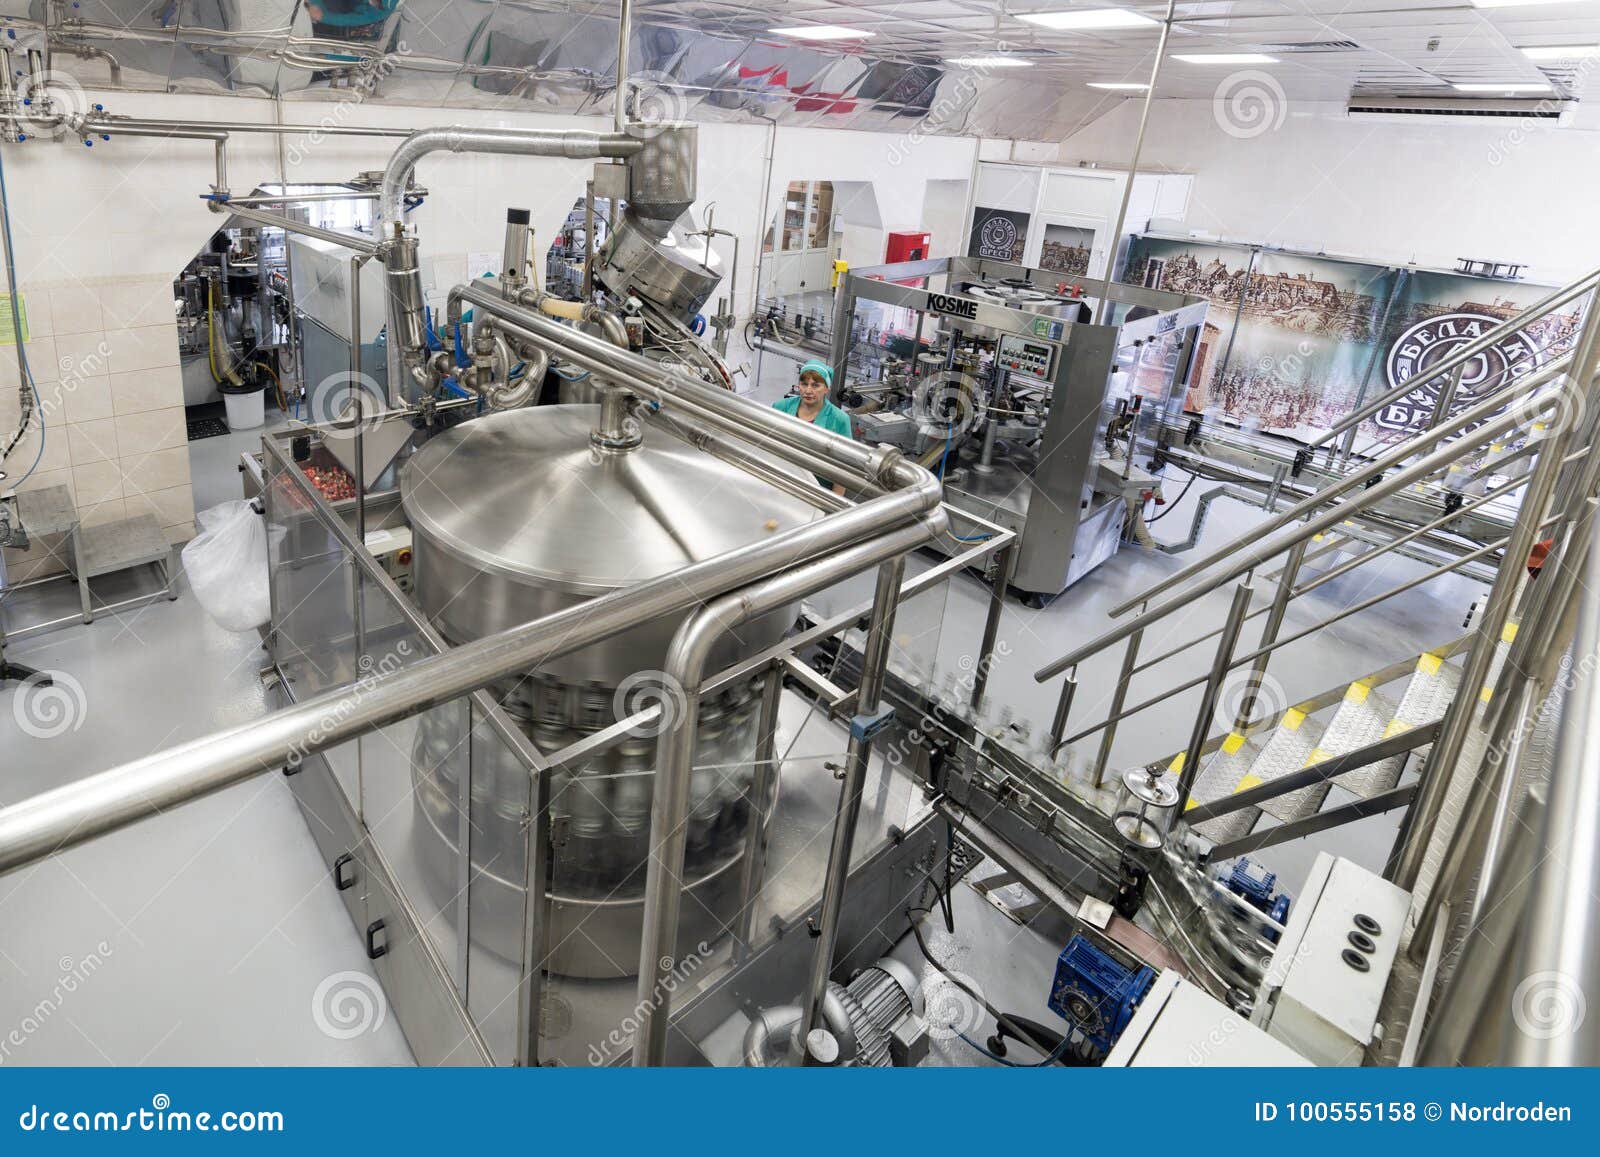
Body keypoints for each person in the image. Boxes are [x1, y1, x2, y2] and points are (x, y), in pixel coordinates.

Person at [772, 359, 853, 495]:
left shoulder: (839, 419)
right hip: (780, 482)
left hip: (817, 491)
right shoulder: (781, 407)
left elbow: (844, 468)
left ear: (826, 388)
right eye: (804, 384)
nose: (808, 390)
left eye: (815, 385)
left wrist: (832, 505)